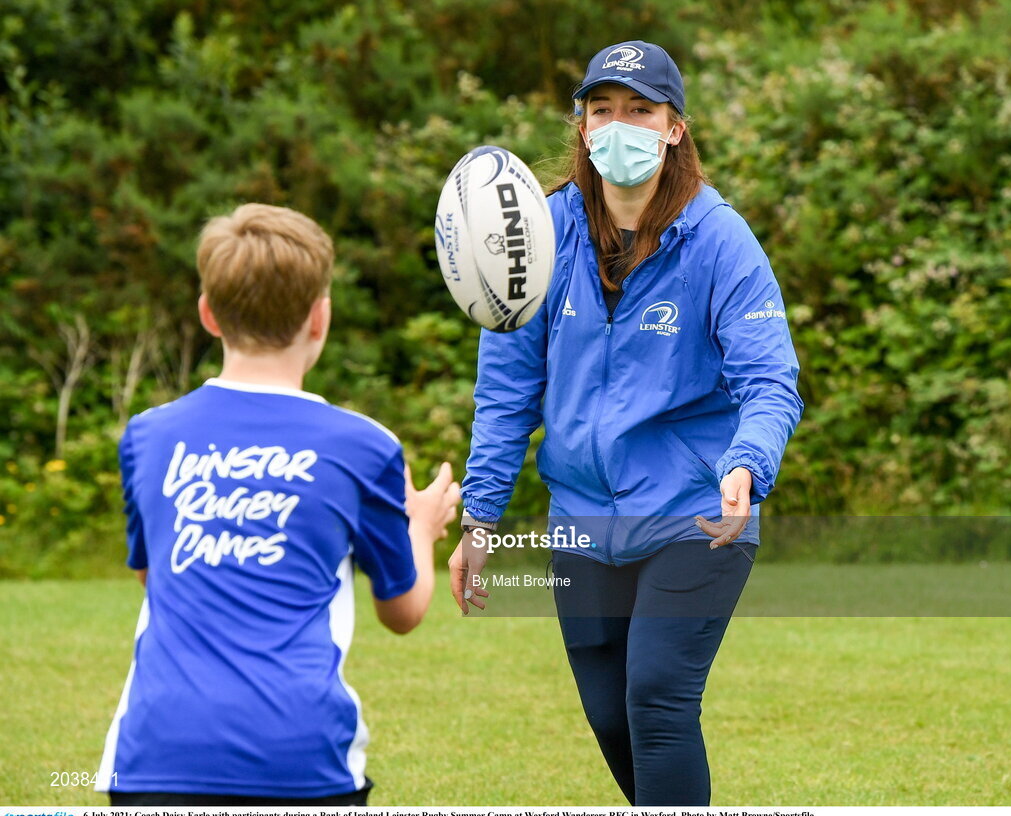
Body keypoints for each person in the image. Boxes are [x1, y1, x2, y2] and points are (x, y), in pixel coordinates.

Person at [449, 41, 803, 805]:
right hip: (582, 519)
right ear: (580, 125)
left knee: (658, 701)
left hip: (695, 513)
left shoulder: (718, 239)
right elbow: (507, 391)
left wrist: (747, 462)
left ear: (675, 127)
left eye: (640, 110)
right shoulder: (538, 236)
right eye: (602, 110)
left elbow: (770, 379)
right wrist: (481, 517)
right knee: (611, 715)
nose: (619, 126)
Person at [95, 203, 459, 805]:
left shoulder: (148, 434)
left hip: (154, 758)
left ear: (208, 314)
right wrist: (420, 527)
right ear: (320, 318)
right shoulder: (365, 445)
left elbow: (150, 573)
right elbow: (403, 611)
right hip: (301, 760)